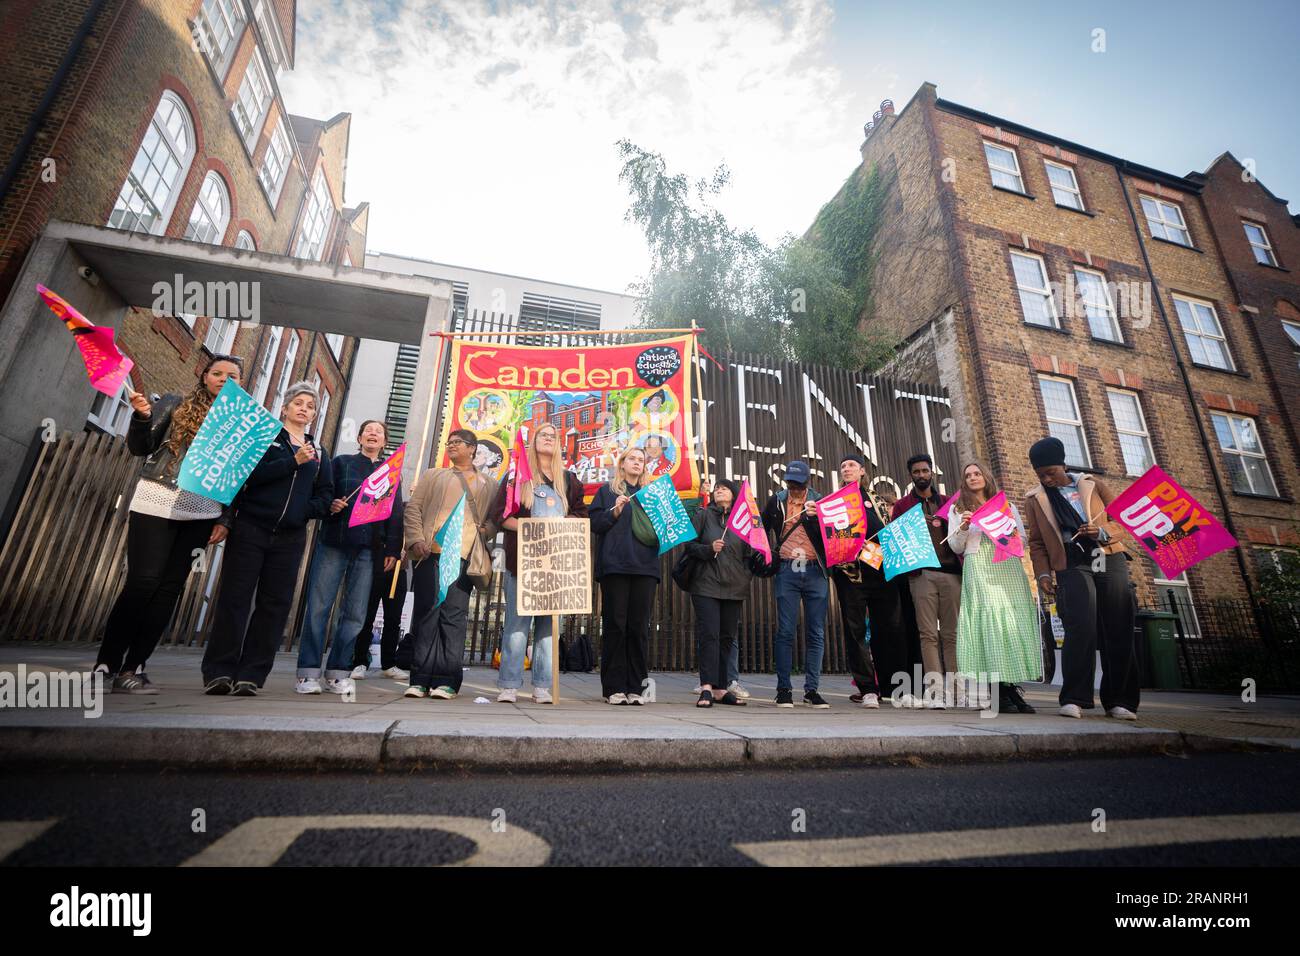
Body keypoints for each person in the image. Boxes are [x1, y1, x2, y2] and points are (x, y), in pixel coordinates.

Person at [95, 355, 242, 694]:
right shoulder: (176, 404)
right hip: (156, 500)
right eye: (216, 373)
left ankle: (134, 667)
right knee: (142, 583)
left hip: (203, 512)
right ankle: (107, 663)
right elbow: (140, 447)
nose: (223, 379)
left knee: (169, 589)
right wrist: (142, 417)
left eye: (231, 376)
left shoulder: (240, 424)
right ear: (204, 376)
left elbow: (238, 475)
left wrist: (226, 517)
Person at [201, 382, 333, 696]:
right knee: (234, 599)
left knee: (274, 606)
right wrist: (292, 461)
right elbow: (246, 476)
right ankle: (219, 671)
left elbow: (326, 494)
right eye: (298, 403)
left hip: (290, 537)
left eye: (310, 406)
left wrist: (304, 511)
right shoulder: (264, 439)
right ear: (285, 408)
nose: (304, 409)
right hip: (251, 528)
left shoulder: (319, 452)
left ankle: (251, 675)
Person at [1023, 437, 1138, 720]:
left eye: (1052, 472)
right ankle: (1074, 698)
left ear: (1063, 464)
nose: (1048, 479)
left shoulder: (1093, 483)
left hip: (1107, 556)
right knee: (1080, 626)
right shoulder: (1034, 499)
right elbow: (1037, 543)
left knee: (1117, 627)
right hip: (1070, 562)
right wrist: (1043, 574)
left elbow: (1123, 519)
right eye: (1041, 475)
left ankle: (1119, 701)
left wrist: (1100, 532)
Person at [295, 419, 402, 695]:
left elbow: (395, 514)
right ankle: (307, 673)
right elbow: (323, 494)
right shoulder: (341, 463)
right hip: (335, 542)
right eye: (368, 430)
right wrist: (331, 504)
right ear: (359, 437)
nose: (373, 434)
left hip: (369, 549)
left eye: (379, 431)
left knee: (355, 614)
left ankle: (338, 671)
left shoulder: (390, 473)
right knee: (319, 607)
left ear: (384, 441)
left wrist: (392, 548)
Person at [487, 422, 587, 704]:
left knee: (548, 628)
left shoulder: (570, 481)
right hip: (523, 562)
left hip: (557, 565)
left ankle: (542, 685)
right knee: (517, 625)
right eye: (542, 435)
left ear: (558, 444)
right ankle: (509, 684)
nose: (548, 438)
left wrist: (561, 524)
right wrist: (533, 528)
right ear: (533, 442)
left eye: (552, 436)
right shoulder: (516, 476)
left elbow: (582, 515)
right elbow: (500, 516)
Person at [403, 428, 497, 700]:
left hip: (463, 557)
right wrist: (416, 539)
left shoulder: (488, 484)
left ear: (472, 449)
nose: (452, 446)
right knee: (426, 615)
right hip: (430, 552)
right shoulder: (433, 475)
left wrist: (486, 530)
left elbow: (495, 517)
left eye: (458, 443)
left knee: (454, 617)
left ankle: (447, 681)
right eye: (449, 443)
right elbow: (413, 508)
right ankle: (420, 679)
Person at [948, 461, 1040, 714]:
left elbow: (1022, 539)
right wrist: (965, 526)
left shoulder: (1005, 506)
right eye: (968, 475)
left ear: (986, 477)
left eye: (977, 473)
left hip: (1007, 564)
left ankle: (1011, 688)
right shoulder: (958, 509)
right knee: (990, 625)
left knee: (1010, 625)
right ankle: (997, 691)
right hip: (979, 565)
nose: (973, 478)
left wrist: (1002, 530)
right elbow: (955, 546)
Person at [833, 454, 907, 709]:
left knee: (889, 629)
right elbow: (829, 534)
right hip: (851, 573)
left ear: (862, 471)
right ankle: (867, 689)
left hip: (880, 569)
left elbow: (885, 530)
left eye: (851, 465)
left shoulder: (875, 498)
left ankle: (893, 686)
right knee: (855, 632)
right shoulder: (834, 501)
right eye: (843, 466)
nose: (847, 469)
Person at [589, 446, 660, 704]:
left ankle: (636, 688)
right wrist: (615, 512)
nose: (637, 463)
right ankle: (613, 688)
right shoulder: (607, 492)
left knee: (639, 628)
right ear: (622, 463)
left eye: (641, 460)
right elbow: (595, 524)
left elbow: (670, 524)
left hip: (646, 568)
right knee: (615, 626)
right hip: (615, 566)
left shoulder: (652, 495)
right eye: (632, 458)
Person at [891, 453, 961, 707]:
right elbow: (896, 541)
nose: (921, 475)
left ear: (932, 472)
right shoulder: (902, 506)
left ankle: (957, 690)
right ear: (910, 476)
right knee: (928, 634)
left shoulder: (948, 503)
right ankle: (936, 692)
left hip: (952, 573)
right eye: (916, 472)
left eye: (924, 470)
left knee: (953, 634)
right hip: (921, 575)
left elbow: (960, 537)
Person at [760, 460, 831, 709]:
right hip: (788, 569)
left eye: (799, 484)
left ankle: (812, 690)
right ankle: (783, 689)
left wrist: (818, 518)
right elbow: (760, 528)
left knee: (816, 632)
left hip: (815, 570)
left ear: (807, 482)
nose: (795, 488)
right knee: (786, 631)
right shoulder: (776, 501)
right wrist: (768, 554)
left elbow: (835, 534)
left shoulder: (822, 502)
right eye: (791, 483)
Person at [683, 479, 751, 707]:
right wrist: (708, 549)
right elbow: (689, 545)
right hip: (706, 585)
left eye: (724, 488)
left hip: (734, 587)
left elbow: (750, 552)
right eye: (717, 488)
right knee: (709, 635)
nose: (719, 490)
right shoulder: (704, 515)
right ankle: (706, 688)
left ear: (734, 494)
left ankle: (722, 688)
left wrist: (748, 572)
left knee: (726, 638)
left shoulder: (742, 519)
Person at [350, 492, 409, 681]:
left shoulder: (407, 508)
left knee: (393, 618)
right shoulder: (378, 505)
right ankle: (359, 661)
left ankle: (389, 663)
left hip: (399, 569)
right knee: (366, 614)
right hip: (375, 562)